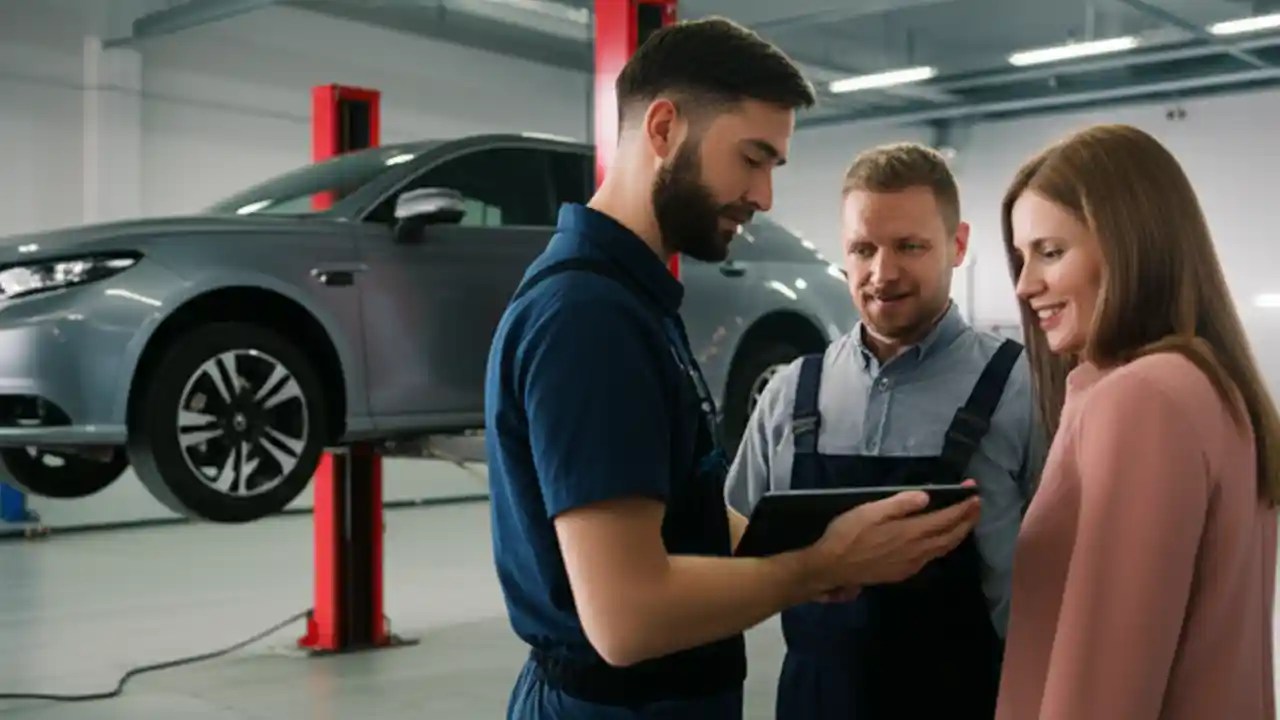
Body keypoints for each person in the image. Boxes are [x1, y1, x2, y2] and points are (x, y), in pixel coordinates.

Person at [483, 17, 983, 720]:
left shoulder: (634, 302)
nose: (764, 196)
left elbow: (677, 518)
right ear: (663, 129)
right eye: (752, 159)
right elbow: (627, 618)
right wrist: (820, 566)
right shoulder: (588, 318)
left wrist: (834, 538)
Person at [725, 141, 1044, 720]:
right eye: (863, 248)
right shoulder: (791, 393)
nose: (882, 272)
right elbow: (723, 549)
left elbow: (1066, 582)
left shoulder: (1023, 389)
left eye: (909, 247)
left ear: (959, 245)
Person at [995, 123, 1280, 720]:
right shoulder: (1213, 390)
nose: (1024, 285)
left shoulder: (1141, 401)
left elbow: (1103, 695)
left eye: (1050, 252)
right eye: (1022, 258)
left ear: (1130, 245)